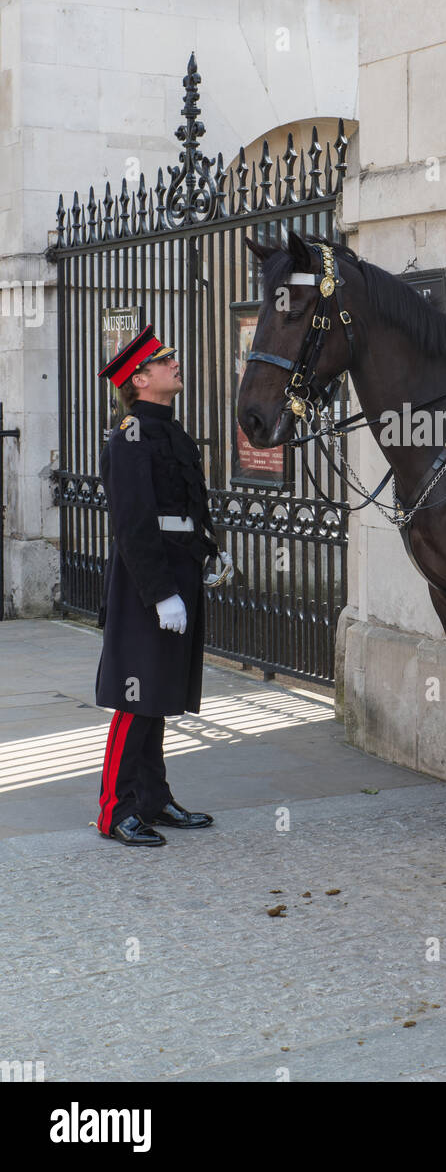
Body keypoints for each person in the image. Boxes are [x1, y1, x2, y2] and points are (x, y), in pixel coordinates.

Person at [95, 325, 223, 846]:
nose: (175, 364)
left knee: (160, 693)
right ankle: (115, 810)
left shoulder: (172, 431)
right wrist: (160, 592)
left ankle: (153, 798)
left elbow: (187, 505)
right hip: (146, 582)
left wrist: (209, 550)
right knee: (135, 698)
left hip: (179, 571)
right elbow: (133, 522)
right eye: (164, 361)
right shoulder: (130, 432)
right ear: (140, 378)